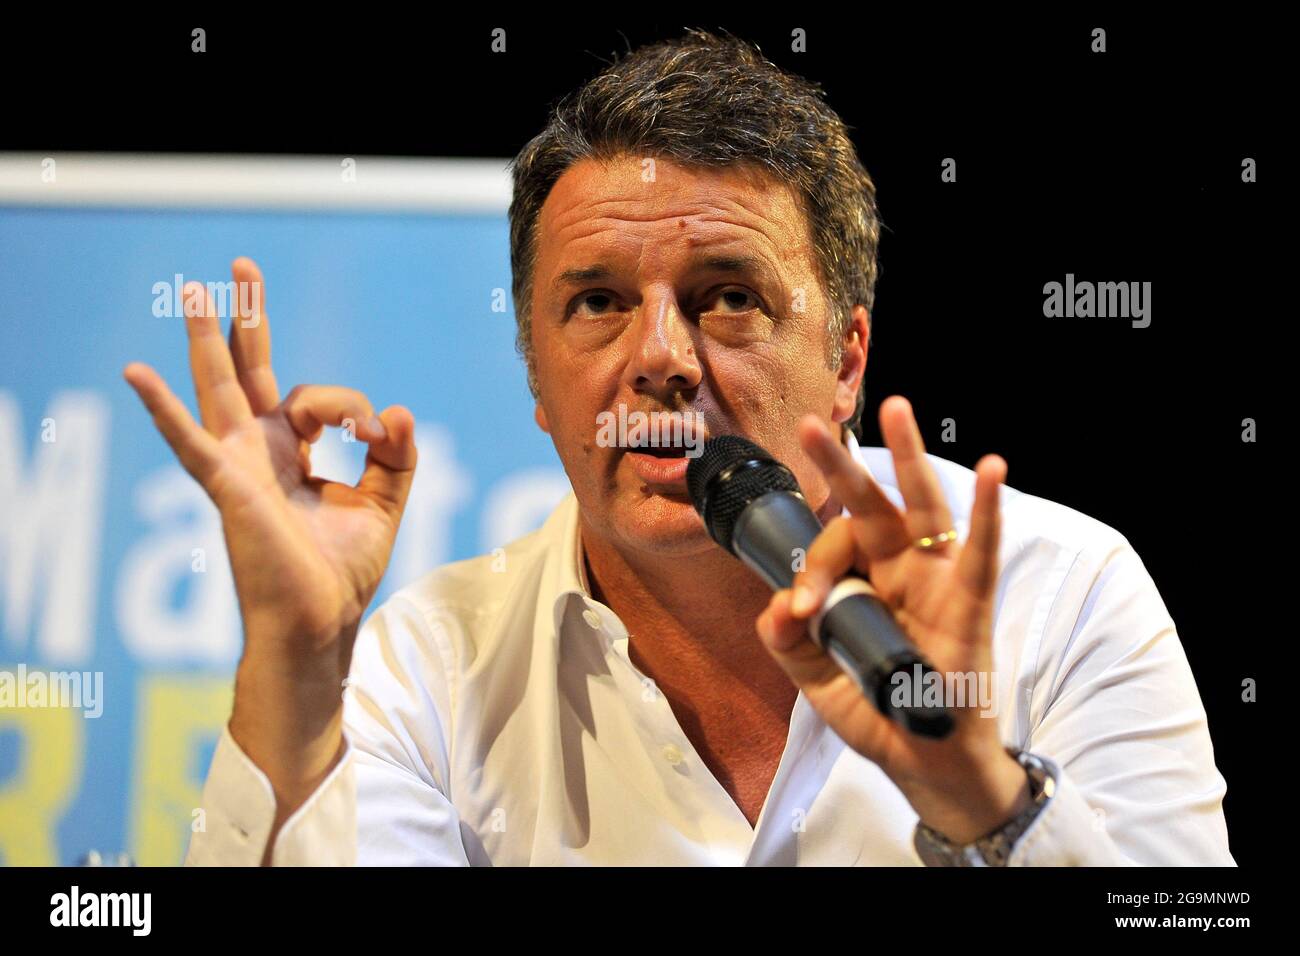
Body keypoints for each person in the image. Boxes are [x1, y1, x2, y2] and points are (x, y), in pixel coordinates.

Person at [125, 30, 1233, 866]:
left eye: (727, 297)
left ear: (847, 357)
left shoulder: (1065, 593)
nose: (661, 357)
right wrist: (294, 658)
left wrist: (979, 795)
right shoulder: (430, 664)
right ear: (534, 373)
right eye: (599, 300)